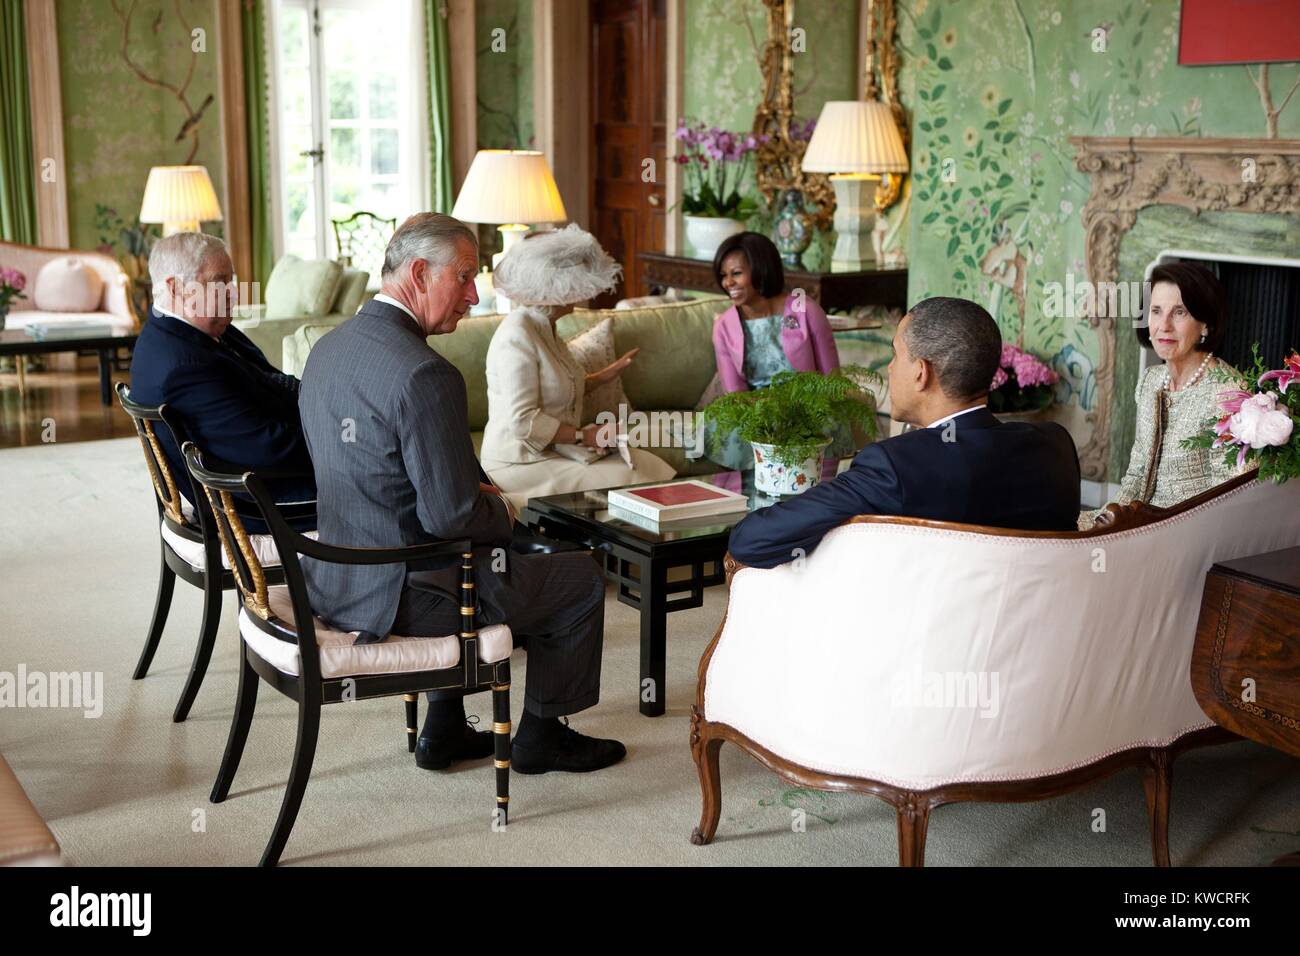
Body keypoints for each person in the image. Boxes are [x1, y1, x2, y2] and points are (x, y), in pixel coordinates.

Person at [298, 212, 625, 775]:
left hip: (338, 579)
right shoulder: (425, 373)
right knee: (578, 578)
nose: (474, 295)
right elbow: (452, 514)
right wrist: (503, 508)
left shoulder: (327, 349)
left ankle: (444, 729)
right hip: (408, 594)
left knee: (499, 553)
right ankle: (542, 739)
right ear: (421, 273)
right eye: (466, 277)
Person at [728, 296, 1081, 569]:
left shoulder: (893, 465)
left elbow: (751, 541)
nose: (891, 368)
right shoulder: (1055, 448)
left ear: (921, 373)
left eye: (896, 354)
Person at [480, 225, 675, 510]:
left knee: (645, 465)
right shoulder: (517, 335)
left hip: (551, 452)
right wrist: (585, 435)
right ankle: (620, 551)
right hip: (518, 463)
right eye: (574, 282)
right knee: (635, 479)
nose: (581, 290)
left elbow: (561, 385)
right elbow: (523, 421)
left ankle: (629, 550)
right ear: (553, 286)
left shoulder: (545, 327)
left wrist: (605, 375)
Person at [129, 232, 315, 521]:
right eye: (219, 282)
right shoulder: (183, 366)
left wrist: (327, 402)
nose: (234, 292)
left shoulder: (202, 329)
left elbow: (271, 380)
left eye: (232, 280)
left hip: (268, 469)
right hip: (259, 500)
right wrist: (343, 441)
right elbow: (267, 448)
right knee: (387, 483)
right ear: (176, 289)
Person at [1080, 262, 1247, 528]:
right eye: (1156, 311)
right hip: (1137, 523)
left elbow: (1226, 497)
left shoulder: (1228, 392)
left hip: (1186, 534)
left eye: (1179, 312)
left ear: (1205, 324)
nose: (1164, 325)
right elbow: (1136, 473)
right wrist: (1106, 525)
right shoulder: (1151, 380)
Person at [706, 231, 851, 469]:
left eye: (737, 274)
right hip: (757, 410)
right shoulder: (723, 326)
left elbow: (831, 380)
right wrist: (767, 411)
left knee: (824, 422)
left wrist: (803, 408)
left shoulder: (805, 310)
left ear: (762, 269)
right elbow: (735, 394)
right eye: (723, 276)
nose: (727, 283)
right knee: (729, 427)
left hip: (808, 406)